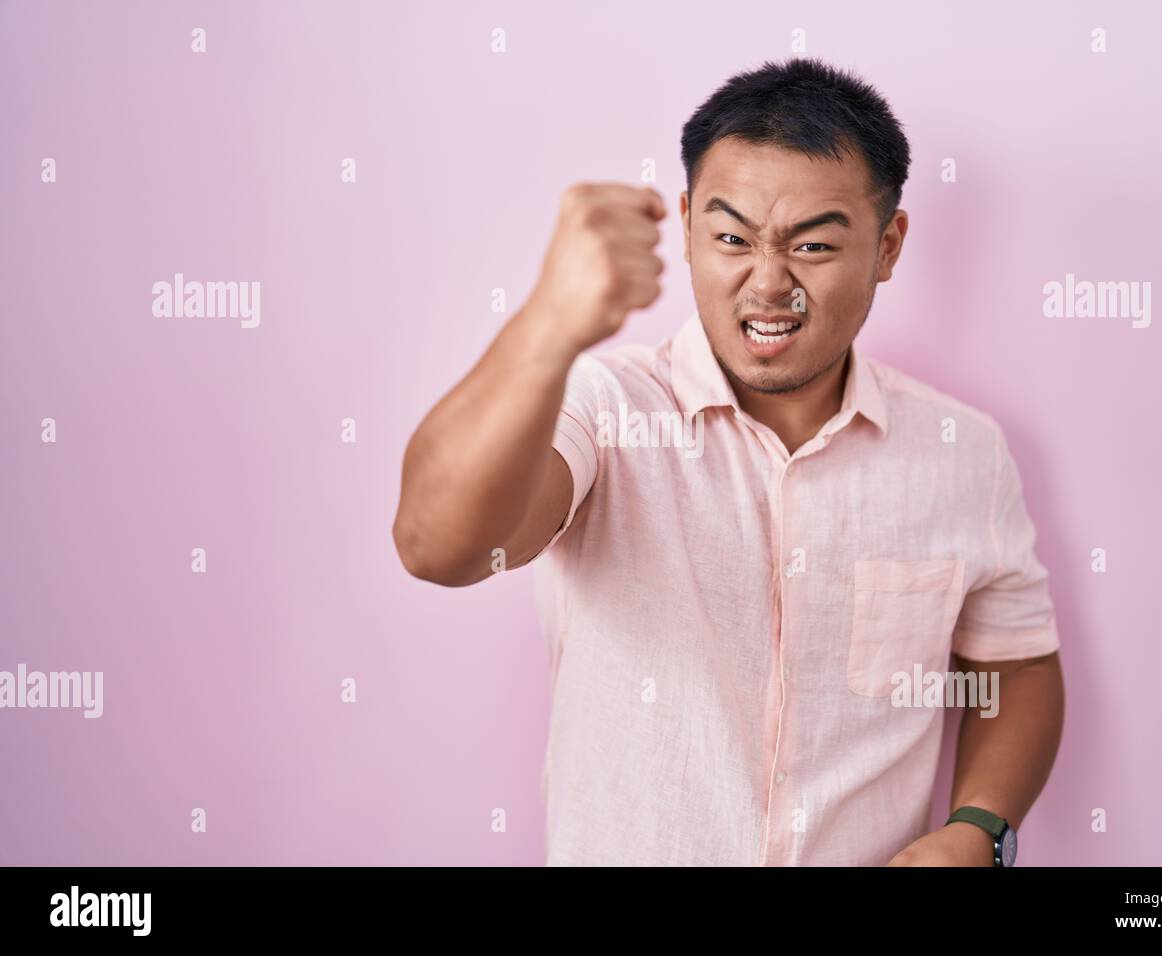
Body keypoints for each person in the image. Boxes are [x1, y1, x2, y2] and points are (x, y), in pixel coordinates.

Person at [393, 57, 1065, 866]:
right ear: (685, 226)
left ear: (888, 246)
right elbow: (438, 547)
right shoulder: (604, 407)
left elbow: (1019, 665)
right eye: (731, 239)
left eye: (812, 244)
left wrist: (979, 830)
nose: (767, 283)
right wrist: (551, 324)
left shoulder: (963, 453)